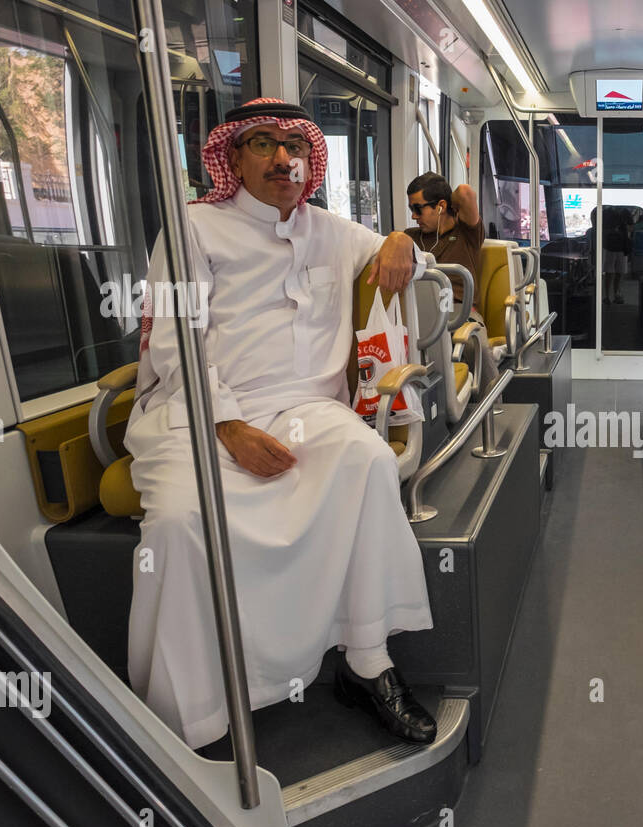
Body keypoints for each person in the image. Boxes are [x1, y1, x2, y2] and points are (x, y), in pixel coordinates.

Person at [126, 98, 437, 750]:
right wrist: (229, 425)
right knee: (185, 519)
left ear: (309, 162)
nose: (281, 159)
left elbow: (407, 263)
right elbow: (177, 342)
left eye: (293, 147)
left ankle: (367, 661)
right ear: (231, 157)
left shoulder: (330, 230)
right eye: (262, 143)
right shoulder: (193, 228)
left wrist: (405, 239)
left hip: (307, 410)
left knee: (370, 462)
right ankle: (193, 717)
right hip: (200, 410)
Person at [377, 172, 483, 308]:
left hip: (459, 312)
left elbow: (465, 192)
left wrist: (450, 202)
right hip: (420, 310)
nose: (414, 216)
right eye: (411, 209)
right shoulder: (410, 237)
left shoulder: (466, 233)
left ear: (441, 206)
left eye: (418, 209)